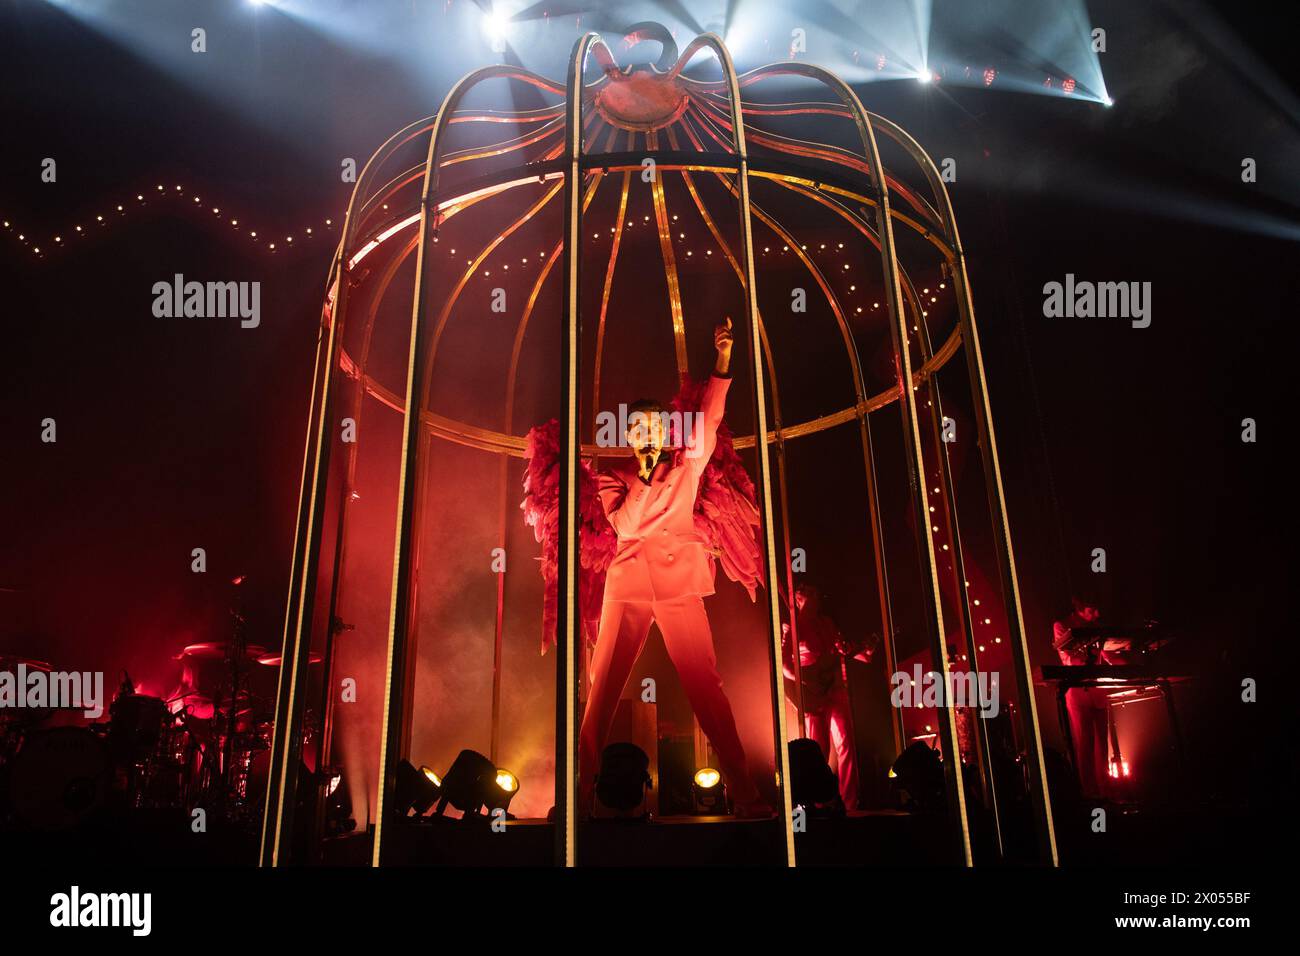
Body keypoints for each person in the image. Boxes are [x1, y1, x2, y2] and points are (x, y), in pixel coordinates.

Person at [580, 318, 770, 817]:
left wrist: (723, 361)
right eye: (637, 428)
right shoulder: (613, 476)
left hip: (680, 585)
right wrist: (642, 477)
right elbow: (625, 525)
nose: (646, 434)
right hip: (628, 588)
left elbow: (709, 417)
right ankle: (578, 794)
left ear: (666, 430)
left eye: (654, 426)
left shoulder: (688, 464)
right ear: (628, 434)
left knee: (707, 689)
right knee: (601, 692)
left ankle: (745, 795)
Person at [781, 583, 874, 810]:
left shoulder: (827, 623)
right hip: (814, 694)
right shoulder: (793, 627)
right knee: (819, 749)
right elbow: (784, 664)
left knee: (846, 746)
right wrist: (808, 679)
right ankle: (817, 802)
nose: (814, 595)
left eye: (814, 591)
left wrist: (861, 650)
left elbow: (842, 650)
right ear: (798, 598)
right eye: (807, 591)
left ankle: (850, 802)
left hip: (835, 689)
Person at [1052, 596, 1110, 799]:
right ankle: (1090, 793)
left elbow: (1108, 654)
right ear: (1081, 609)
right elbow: (1069, 658)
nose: (1097, 615)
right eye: (1093, 611)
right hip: (1078, 691)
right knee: (1084, 744)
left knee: (1102, 745)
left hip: (1097, 691)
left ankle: (1106, 791)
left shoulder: (1096, 626)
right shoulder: (1062, 626)